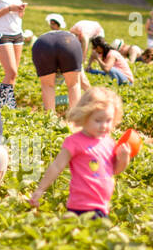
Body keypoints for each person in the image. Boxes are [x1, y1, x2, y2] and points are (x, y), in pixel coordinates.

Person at [29, 87, 133, 218]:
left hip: (102, 206)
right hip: (80, 206)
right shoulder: (74, 142)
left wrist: (124, 159)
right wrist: (40, 189)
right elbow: (57, 166)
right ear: (84, 116)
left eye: (108, 121)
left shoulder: (109, 142)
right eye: (98, 120)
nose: (104, 126)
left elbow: (114, 170)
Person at [30, 28, 85, 115]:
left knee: (47, 85)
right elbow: (83, 81)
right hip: (69, 42)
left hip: (43, 43)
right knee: (73, 85)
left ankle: (51, 118)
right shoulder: (73, 40)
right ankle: (75, 118)